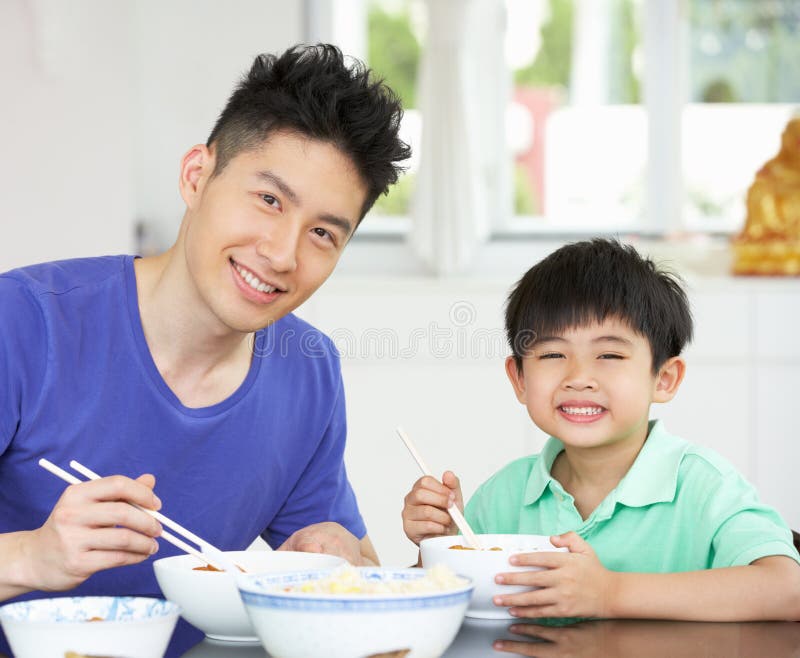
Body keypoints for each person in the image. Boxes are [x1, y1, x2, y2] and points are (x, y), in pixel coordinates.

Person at [0, 43, 410, 651]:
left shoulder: (309, 371)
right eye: (269, 200)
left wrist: (344, 562)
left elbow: (357, 578)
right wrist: (31, 556)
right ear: (197, 175)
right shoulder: (25, 322)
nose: (283, 254)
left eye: (323, 233)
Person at [402, 238, 800, 621]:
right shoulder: (503, 497)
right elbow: (441, 606)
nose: (579, 377)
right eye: (553, 354)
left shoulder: (705, 485)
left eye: (609, 354)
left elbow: (788, 589)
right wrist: (442, 544)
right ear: (519, 378)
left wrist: (609, 593)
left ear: (663, 378)